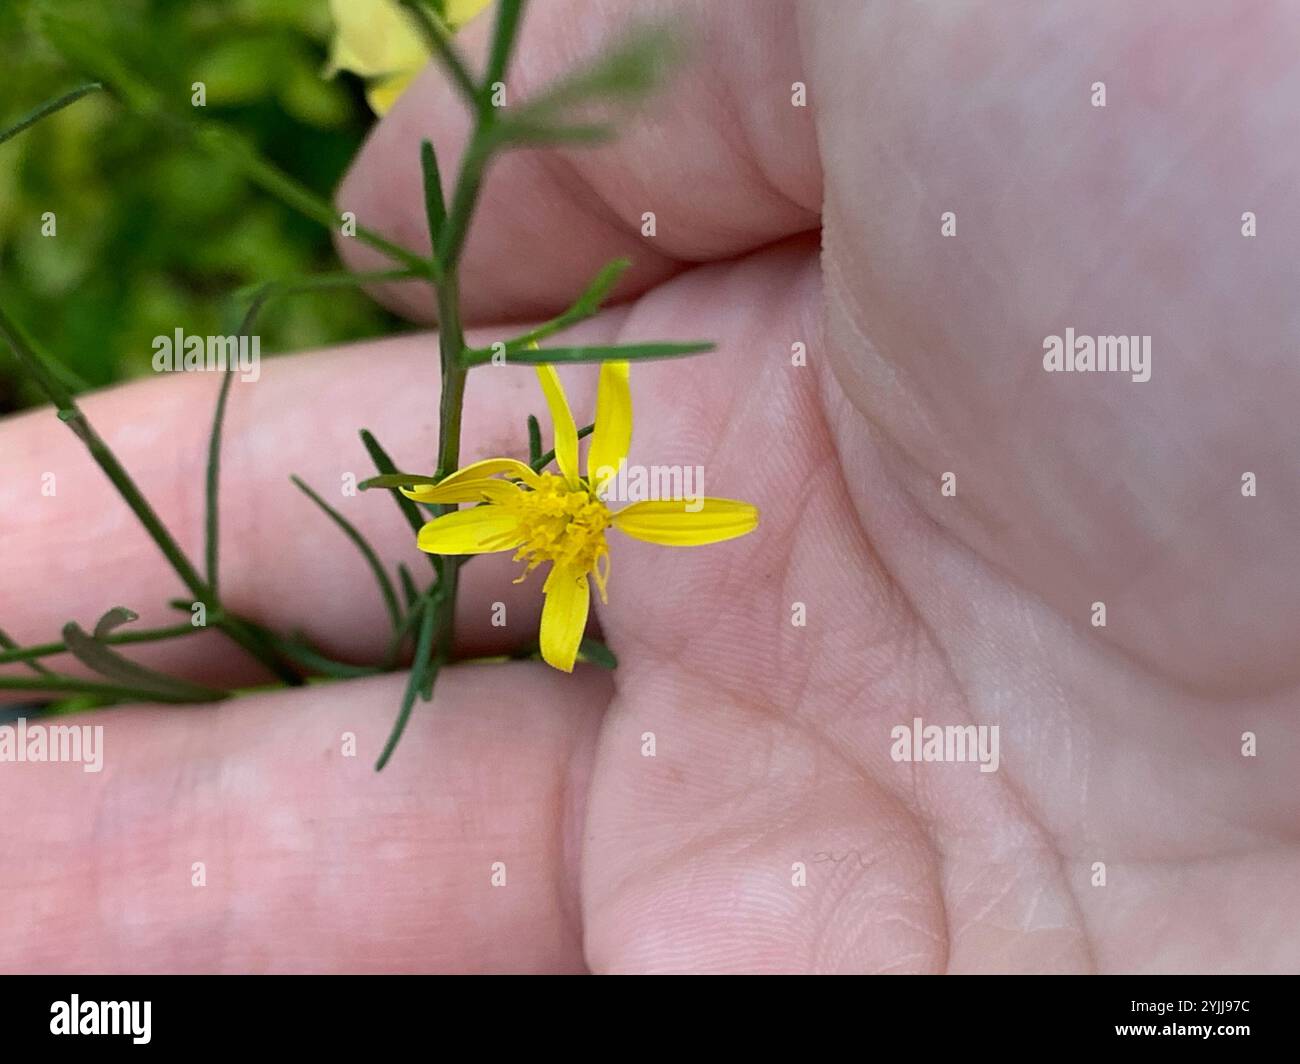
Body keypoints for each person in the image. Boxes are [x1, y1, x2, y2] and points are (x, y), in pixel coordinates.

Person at [1, 0, 1295, 973]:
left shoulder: (604, 495)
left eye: (556, 512)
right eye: (546, 515)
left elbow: (577, 553)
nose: (553, 525)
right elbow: (522, 544)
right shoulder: (544, 505)